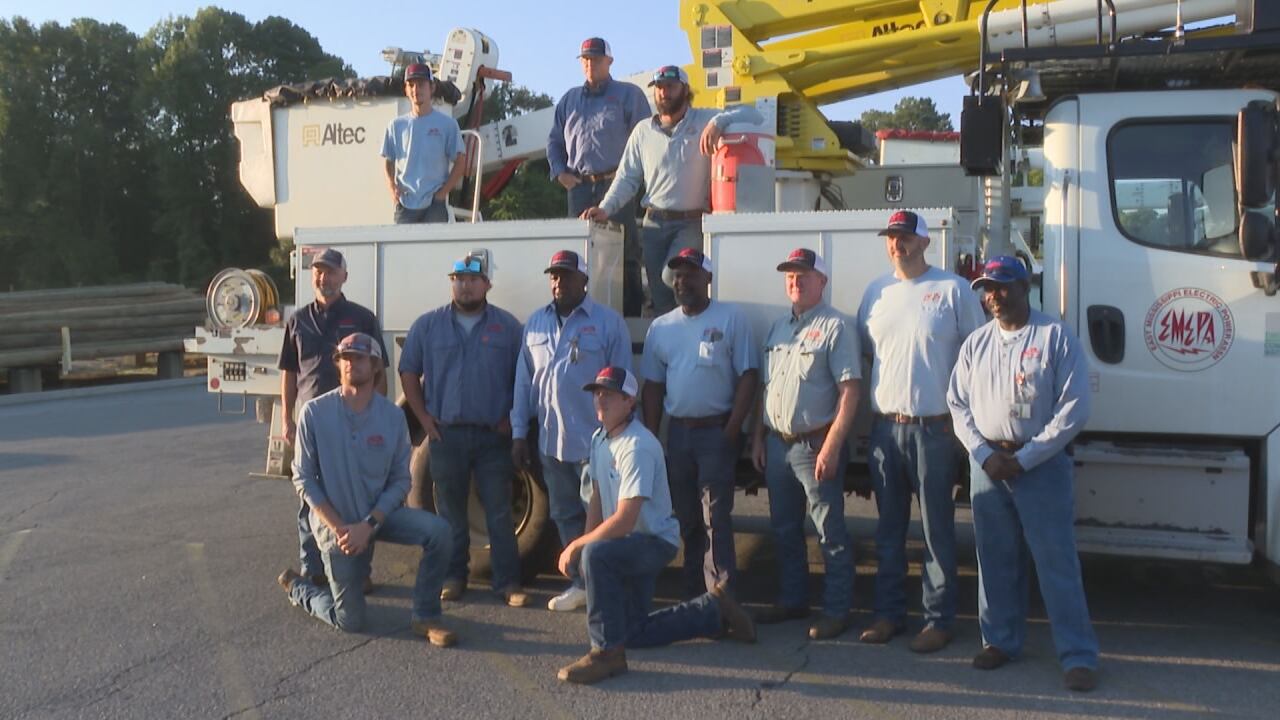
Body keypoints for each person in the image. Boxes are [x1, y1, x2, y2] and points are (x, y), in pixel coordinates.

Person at [947, 256, 1099, 692]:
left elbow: (1074, 409)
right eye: (987, 288)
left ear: (1025, 285)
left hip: (1041, 466)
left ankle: (1078, 656)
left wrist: (1027, 457)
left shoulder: (1055, 337)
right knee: (995, 559)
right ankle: (999, 641)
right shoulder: (976, 344)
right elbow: (957, 404)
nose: (993, 295)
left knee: (1056, 563)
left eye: (1002, 286)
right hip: (989, 466)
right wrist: (983, 454)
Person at [556, 366, 756, 685]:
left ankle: (604, 653)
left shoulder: (637, 446)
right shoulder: (599, 439)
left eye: (609, 394)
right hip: (626, 543)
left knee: (596, 555)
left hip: (652, 543)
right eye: (597, 393)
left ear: (629, 401)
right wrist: (586, 540)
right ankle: (713, 609)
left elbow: (625, 520)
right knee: (632, 632)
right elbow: (597, 497)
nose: (600, 400)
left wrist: (580, 546)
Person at [856, 211, 987, 652]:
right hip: (886, 429)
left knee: (936, 531)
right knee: (888, 531)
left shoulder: (953, 290)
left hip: (935, 430)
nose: (898, 245)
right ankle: (888, 615)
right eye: (891, 238)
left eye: (906, 237)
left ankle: (938, 620)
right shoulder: (876, 292)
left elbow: (976, 357)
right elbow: (870, 353)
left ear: (925, 242)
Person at [278, 333, 457, 648]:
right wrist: (341, 529)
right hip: (338, 529)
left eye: (359, 358)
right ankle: (299, 588)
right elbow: (303, 478)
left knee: (439, 532)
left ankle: (426, 615)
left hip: (378, 519)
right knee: (350, 621)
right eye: (345, 358)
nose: (351, 364)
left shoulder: (392, 417)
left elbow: (400, 480)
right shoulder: (314, 413)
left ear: (375, 366)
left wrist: (370, 524)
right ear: (338, 365)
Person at [399, 253, 529, 608]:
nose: (465, 286)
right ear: (451, 283)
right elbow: (408, 371)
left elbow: (525, 376)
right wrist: (424, 418)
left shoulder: (508, 327)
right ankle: (453, 577)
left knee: (499, 512)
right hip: (446, 436)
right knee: (450, 514)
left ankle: (508, 583)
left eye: (473, 280)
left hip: (493, 437)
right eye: (459, 279)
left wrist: (512, 418)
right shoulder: (428, 325)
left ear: (487, 284)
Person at [581, 65, 762, 314]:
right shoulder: (643, 131)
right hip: (653, 225)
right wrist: (604, 209)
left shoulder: (704, 119)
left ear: (685, 90)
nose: (664, 92)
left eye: (670, 87)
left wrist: (719, 121)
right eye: (659, 88)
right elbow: (627, 178)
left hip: (691, 222)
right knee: (661, 299)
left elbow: (754, 114)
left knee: (674, 276)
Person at [511, 249, 631, 611]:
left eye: (565, 275)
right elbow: (523, 383)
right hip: (551, 442)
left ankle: (606, 586)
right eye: (554, 275)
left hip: (595, 443)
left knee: (602, 518)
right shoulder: (535, 323)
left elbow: (624, 383)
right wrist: (519, 433)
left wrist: (619, 436)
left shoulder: (608, 323)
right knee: (564, 514)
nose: (558, 282)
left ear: (584, 280)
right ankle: (580, 584)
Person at [750, 248, 861, 640]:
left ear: (822, 282)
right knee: (784, 529)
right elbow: (766, 388)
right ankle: (793, 599)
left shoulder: (836, 327)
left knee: (829, 531)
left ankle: (837, 610)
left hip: (815, 446)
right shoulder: (777, 328)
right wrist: (758, 437)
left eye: (803, 274)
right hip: (777, 444)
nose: (795, 281)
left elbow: (850, 391)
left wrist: (832, 446)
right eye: (790, 275)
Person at [639, 247, 757, 597]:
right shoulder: (661, 327)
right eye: (677, 275)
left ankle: (720, 596)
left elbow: (749, 376)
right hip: (678, 434)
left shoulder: (731, 318)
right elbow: (653, 386)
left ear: (708, 278)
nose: (682, 281)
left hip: (716, 433)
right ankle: (693, 593)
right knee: (687, 518)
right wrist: (651, 438)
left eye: (690, 274)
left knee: (715, 519)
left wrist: (732, 429)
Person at [278, 248, 388, 590]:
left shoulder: (362, 318)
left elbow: (379, 371)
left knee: (357, 498)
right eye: (318, 272)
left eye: (330, 272)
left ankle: (359, 572)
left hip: (351, 420)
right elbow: (289, 372)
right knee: (309, 498)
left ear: (344, 277)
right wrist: (287, 419)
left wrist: (376, 415)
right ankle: (313, 569)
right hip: (312, 423)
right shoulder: (298, 320)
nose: (323, 278)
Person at [547, 37, 651, 316]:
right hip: (579, 186)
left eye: (595, 58)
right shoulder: (568, 100)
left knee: (624, 252)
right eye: (585, 59)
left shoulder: (629, 95)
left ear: (609, 61)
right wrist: (560, 173)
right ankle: (579, 314)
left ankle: (629, 318)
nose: (589, 63)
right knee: (578, 254)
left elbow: (645, 139)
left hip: (616, 184)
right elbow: (554, 141)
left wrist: (632, 177)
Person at [381, 63, 466, 224]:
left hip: (435, 205)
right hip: (405, 205)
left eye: (421, 84)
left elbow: (460, 161)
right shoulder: (396, 126)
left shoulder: (447, 124)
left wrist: (442, 194)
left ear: (431, 88)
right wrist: (393, 188)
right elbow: (388, 161)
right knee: (401, 242)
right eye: (411, 85)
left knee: (434, 242)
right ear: (406, 90)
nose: (416, 90)